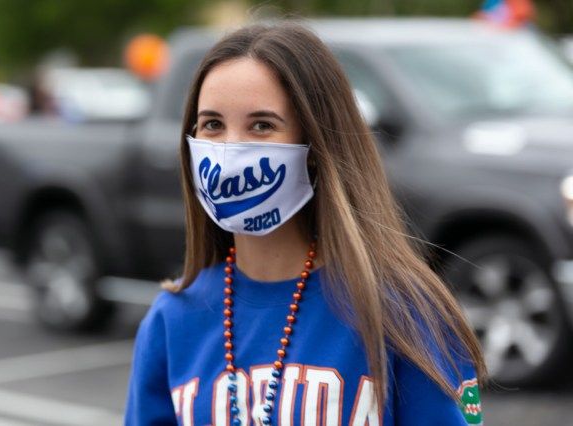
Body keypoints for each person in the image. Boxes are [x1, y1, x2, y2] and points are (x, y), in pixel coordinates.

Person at [124, 20, 486, 426]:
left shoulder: (403, 312)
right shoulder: (172, 319)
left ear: (315, 145)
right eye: (212, 125)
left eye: (261, 125)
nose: (228, 151)